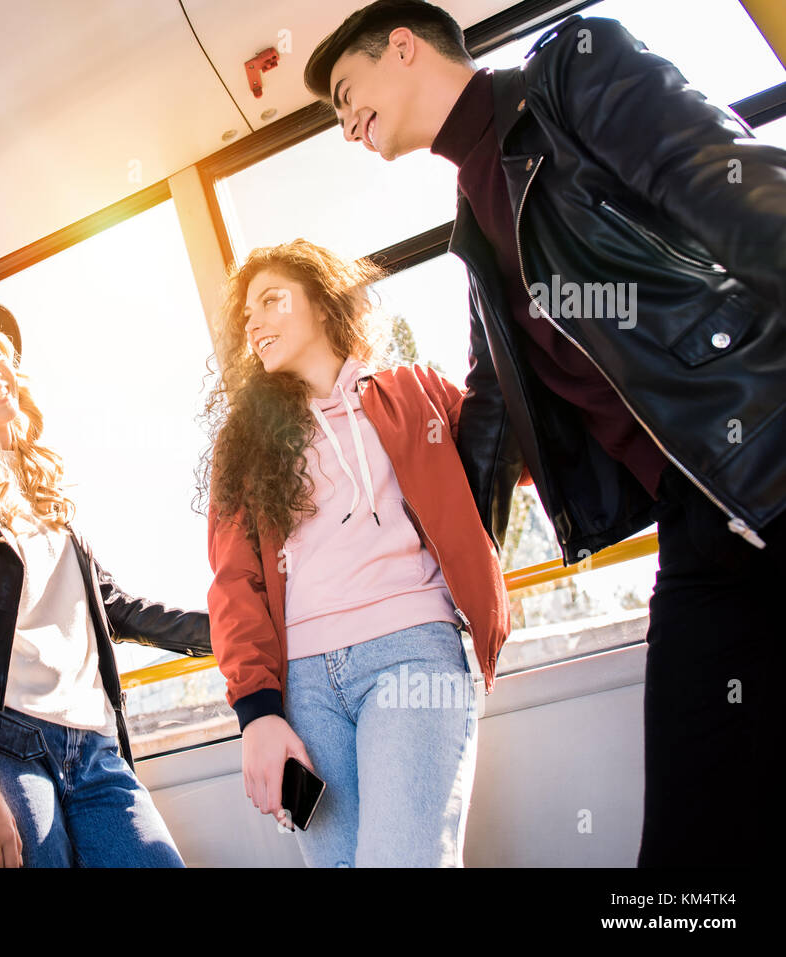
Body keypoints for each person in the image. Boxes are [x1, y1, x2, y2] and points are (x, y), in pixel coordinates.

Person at [304, 0, 786, 866]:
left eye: (346, 93)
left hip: (768, 447)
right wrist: (418, 566)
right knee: (687, 843)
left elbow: (730, 180)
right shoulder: (475, 229)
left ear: (404, 47)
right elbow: (491, 422)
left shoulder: (572, 71)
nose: (346, 125)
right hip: (702, 525)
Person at [200, 239, 512, 866]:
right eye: (246, 316)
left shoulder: (415, 390)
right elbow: (233, 583)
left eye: (271, 299)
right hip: (304, 688)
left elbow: (512, 447)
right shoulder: (247, 440)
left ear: (321, 302)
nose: (254, 321)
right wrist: (258, 713)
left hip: (412, 652)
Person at [0, 301, 213, 867]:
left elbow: (112, 606)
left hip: (96, 747)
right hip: (2, 746)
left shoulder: (42, 489)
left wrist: (232, 630)